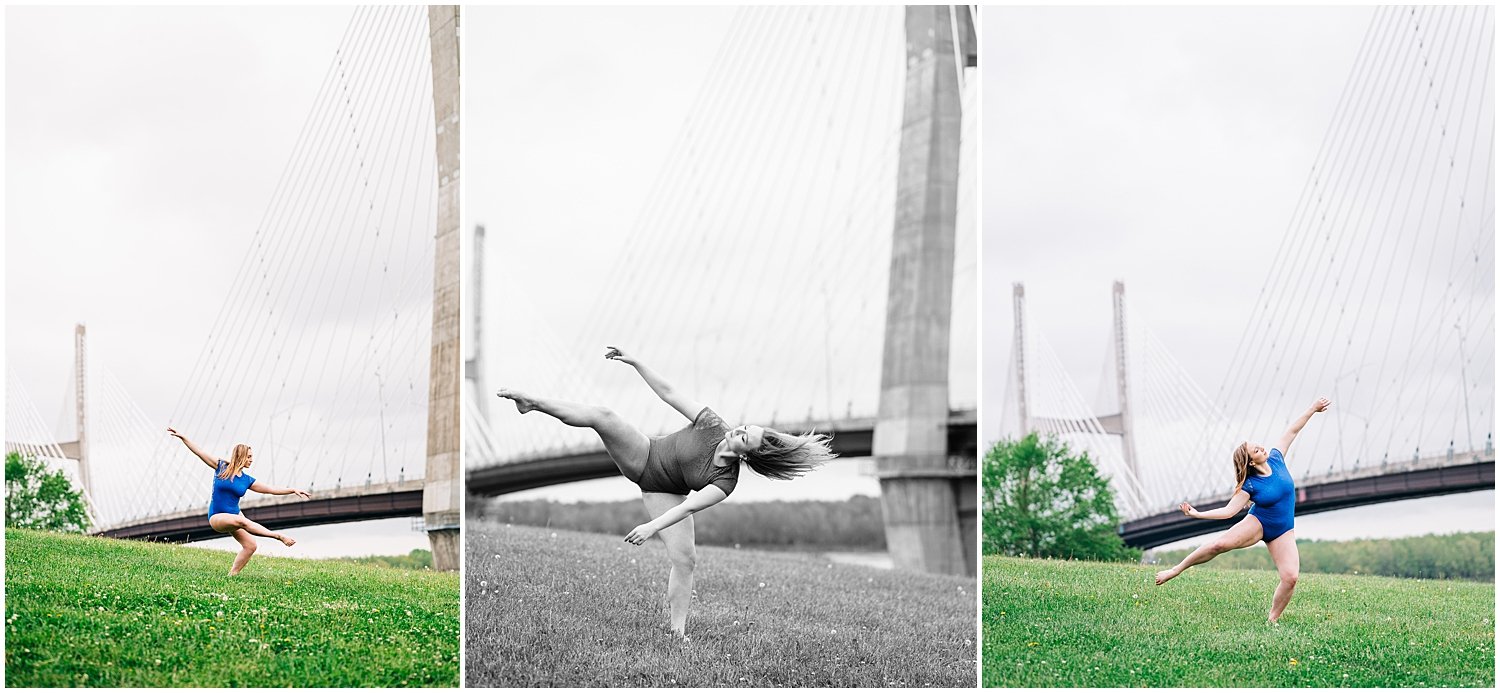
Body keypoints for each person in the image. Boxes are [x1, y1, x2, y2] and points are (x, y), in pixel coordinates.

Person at [497, 346, 837, 639]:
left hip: (666, 494)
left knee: (686, 559)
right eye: (745, 427)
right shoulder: (713, 424)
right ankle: (533, 403)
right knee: (605, 416)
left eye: (744, 437)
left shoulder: (724, 482)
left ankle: (677, 632)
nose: (738, 430)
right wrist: (636, 362)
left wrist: (652, 526)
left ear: (746, 454)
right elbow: (670, 393)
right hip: (644, 455)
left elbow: (687, 507)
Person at [1153, 397, 1331, 623]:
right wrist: (1197, 514)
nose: (1262, 448)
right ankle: (1175, 570)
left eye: (1259, 445)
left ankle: (1272, 621)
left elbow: (1292, 430)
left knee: (1291, 577)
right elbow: (1228, 511)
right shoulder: (1250, 485)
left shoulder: (1277, 458)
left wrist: (1313, 409)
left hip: (1283, 530)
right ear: (1250, 462)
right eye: (1256, 450)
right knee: (1219, 544)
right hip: (1258, 522)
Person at [167, 427, 309, 576]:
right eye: (248, 457)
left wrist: (292, 490)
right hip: (217, 517)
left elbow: (269, 489)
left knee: (250, 545)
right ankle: (279, 536)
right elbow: (199, 451)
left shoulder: (246, 480)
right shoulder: (221, 466)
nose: (251, 460)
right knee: (244, 521)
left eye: (252, 457)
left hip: (234, 515)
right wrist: (183, 437)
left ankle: (231, 576)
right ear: (240, 456)